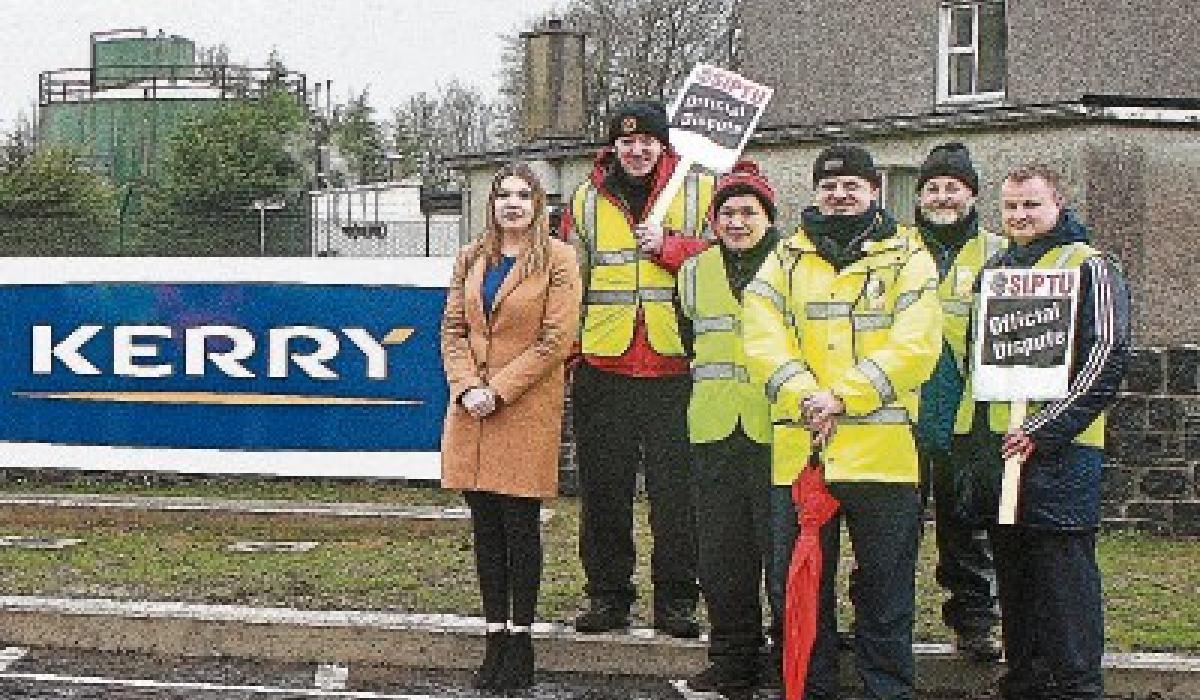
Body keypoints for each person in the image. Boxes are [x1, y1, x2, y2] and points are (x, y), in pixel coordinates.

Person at [743, 143, 942, 700]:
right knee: (803, 588)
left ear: (874, 190)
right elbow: (761, 338)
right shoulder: (783, 259)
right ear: (816, 193)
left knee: (885, 590)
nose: (840, 193)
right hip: (805, 456)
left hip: (884, 457)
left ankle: (887, 690)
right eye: (829, 186)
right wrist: (808, 396)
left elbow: (918, 344)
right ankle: (809, 689)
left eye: (852, 184)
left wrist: (843, 398)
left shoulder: (910, 257)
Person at [964, 164, 1130, 700]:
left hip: (1063, 455)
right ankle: (1025, 680)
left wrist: (1044, 428)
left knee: (1064, 582)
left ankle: (1077, 686)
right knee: (1013, 578)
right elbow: (978, 360)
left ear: (1058, 204)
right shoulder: (995, 271)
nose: (1019, 216)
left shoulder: (1092, 266)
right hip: (1001, 449)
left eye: (1031, 205)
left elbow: (1106, 356)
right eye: (1010, 206)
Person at [560, 100, 713, 637]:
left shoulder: (699, 190)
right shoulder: (584, 199)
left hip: (677, 365)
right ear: (614, 147)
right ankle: (608, 597)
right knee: (603, 493)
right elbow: (568, 277)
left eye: (648, 140)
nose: (638, 150)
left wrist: (672, 247)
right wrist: (570, 349)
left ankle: (676, 602)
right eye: (628, 142)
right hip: (604, 365)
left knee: (678, 496)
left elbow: (732, 254)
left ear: (664, 145)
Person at [440, 162, 581, 691]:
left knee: (520, 527)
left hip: (521, 407)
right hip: (471, 407)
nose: (513, 204)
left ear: (539, 204)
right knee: (485, 528)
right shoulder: (470, 258)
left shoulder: (560, 260)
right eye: (504, 195)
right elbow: (452, 329)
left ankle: (520, 638)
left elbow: (556, 340)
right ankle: (493, 633)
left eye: (524, 195)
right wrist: (467, 387)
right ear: (491, 204)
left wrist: (497, 390)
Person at [676, 161, 779, 696]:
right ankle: (732, 659)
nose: (736, 222)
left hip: (776, 433)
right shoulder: (693, 271)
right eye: (727, 213)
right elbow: (689, 338)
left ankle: (788, 659)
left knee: (781, 558)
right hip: (714, 430)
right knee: (722, 558)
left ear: (768, 216)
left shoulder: (791, 265)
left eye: (748, 212)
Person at [912, 142, 1003, 660]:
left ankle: (974, 624)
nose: (942, 197)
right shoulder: (896, 248)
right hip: (904, 412)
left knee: (966, 528)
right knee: (892, 533)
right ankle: (884, 620)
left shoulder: (998, 251)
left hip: (970, 414)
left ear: (972, 194)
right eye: (933, 188)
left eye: (953, 188)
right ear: (919, 196)